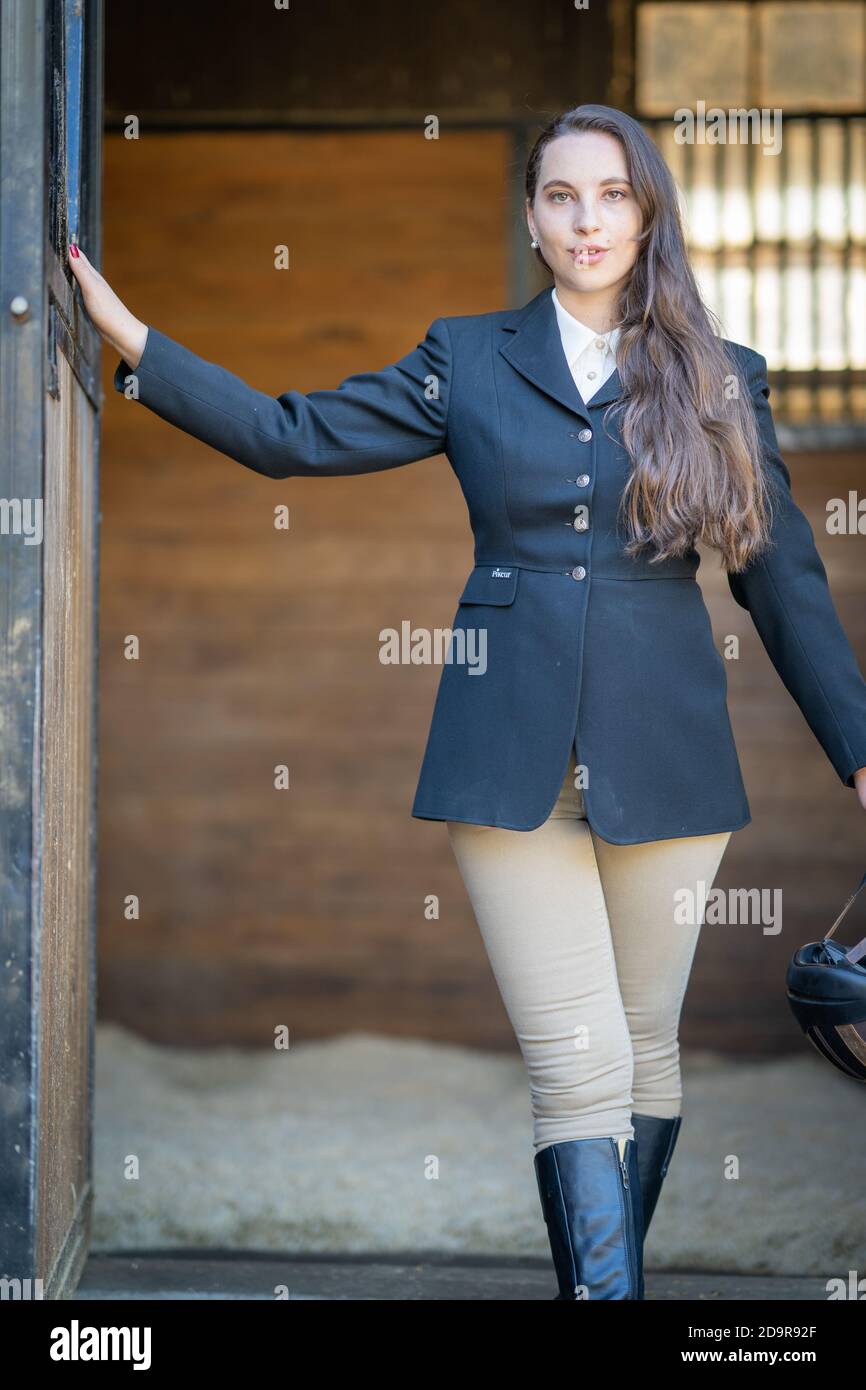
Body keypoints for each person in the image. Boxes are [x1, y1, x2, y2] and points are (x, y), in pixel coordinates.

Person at [69, 103, 866, 1301]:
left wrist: (859, 748)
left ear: (647, 212)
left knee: (644, 1048)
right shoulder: (466, 358)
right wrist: (135, 340)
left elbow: (782, 585)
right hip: (506, 756)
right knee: (578, 1059)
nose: (585, 218)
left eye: (610, 194)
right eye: (558, 196)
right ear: (530, 219)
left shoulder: (720, 378)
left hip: (668, 750)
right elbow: (293, 437)